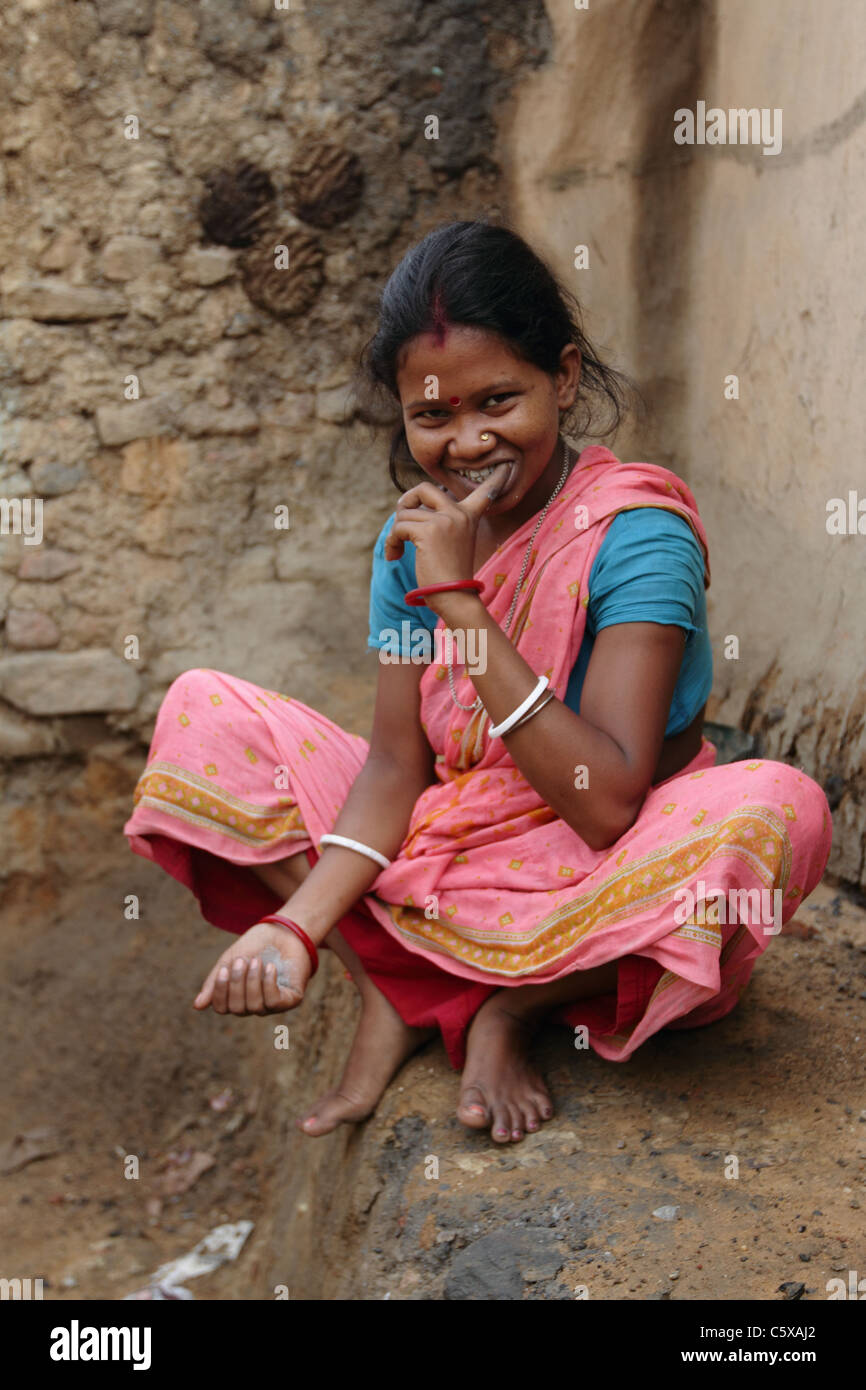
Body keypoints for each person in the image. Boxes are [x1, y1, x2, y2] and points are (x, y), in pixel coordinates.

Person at [123, 220, 832, 1145]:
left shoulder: (635, 535)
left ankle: (510, 1009)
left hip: (596, 858)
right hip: (449, 833)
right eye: (432, 415)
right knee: (202, 711)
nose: (468, 442)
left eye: (499, 400)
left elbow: (609, 801)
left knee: (779, 812)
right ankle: (390, 990)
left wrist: (460, 601)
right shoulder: (410, 541)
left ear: (565, 379)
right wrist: (295, 929)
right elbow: (392, 770)